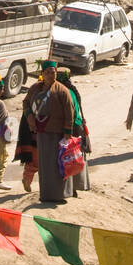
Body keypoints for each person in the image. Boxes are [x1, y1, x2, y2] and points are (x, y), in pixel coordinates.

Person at [26, 59, 74, 205]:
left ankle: (59, 195)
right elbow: (26, 103)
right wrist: (30, 118)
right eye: (47, 73)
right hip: (41, 133)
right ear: (42, 74)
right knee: (44, 165)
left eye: (53, 72)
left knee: (58, 164)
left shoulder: (62, 91)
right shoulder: (35, 88)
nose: (50, 75)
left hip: (57, 134)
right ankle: (46, 195)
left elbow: (69, 112)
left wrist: (67, 133)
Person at [56, 67, 91, 194]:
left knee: (68, 158)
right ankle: (76, 187)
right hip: (78, 127)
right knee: (76, 157)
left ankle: (70, 189)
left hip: (71, 129)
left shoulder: (64, 92)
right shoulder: (72, 91)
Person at [15, 77, 41, 192]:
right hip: (38, 132)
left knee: (32, 159)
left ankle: (27, 179)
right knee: (38, 160)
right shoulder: (39, 95)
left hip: (30, 133)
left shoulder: (32, 95)